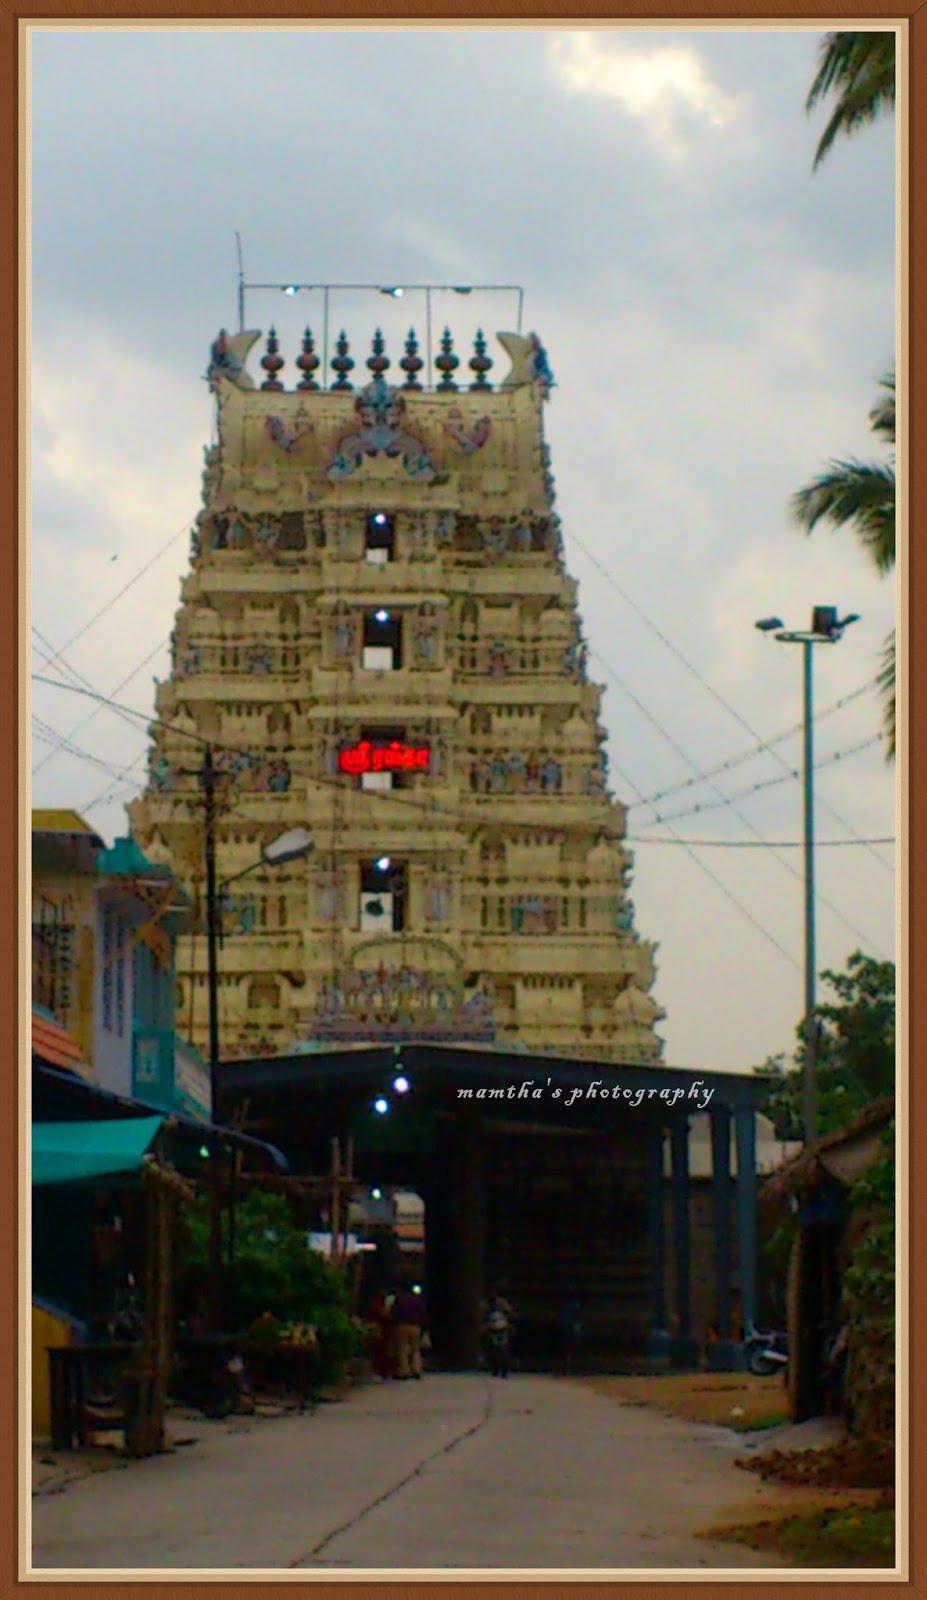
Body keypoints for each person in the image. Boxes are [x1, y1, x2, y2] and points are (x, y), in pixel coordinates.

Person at [391, 1284, 427, 1380]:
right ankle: (417, 1369)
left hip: (401, 1325)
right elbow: (423, 1313)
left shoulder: (399, 1299)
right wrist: (424, 1327)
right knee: (416, 1349)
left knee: (402, 1349)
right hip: (415, 1326)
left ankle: (404, 1372)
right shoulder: (418, 1300)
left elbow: (394, 1312)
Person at [482, 1290, 514, 1378]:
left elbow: (509, 1313)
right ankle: (496, 1369)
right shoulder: (487, 1305)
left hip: (502, 1328)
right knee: (495, 1350)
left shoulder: (502, 1304)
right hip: (493, 1329)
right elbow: (485, 1316)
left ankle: (504, 1369)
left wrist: (508, 1322)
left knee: (503, 1349)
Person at [368, 1290, 396, 1381]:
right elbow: (383, 1314)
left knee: (382, 1350)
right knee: (382, 1350)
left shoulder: (376, 1303)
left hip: (381, 1329)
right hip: (381, 1329)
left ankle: (382, 1370)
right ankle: (383, 1370)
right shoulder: (378, 1304)